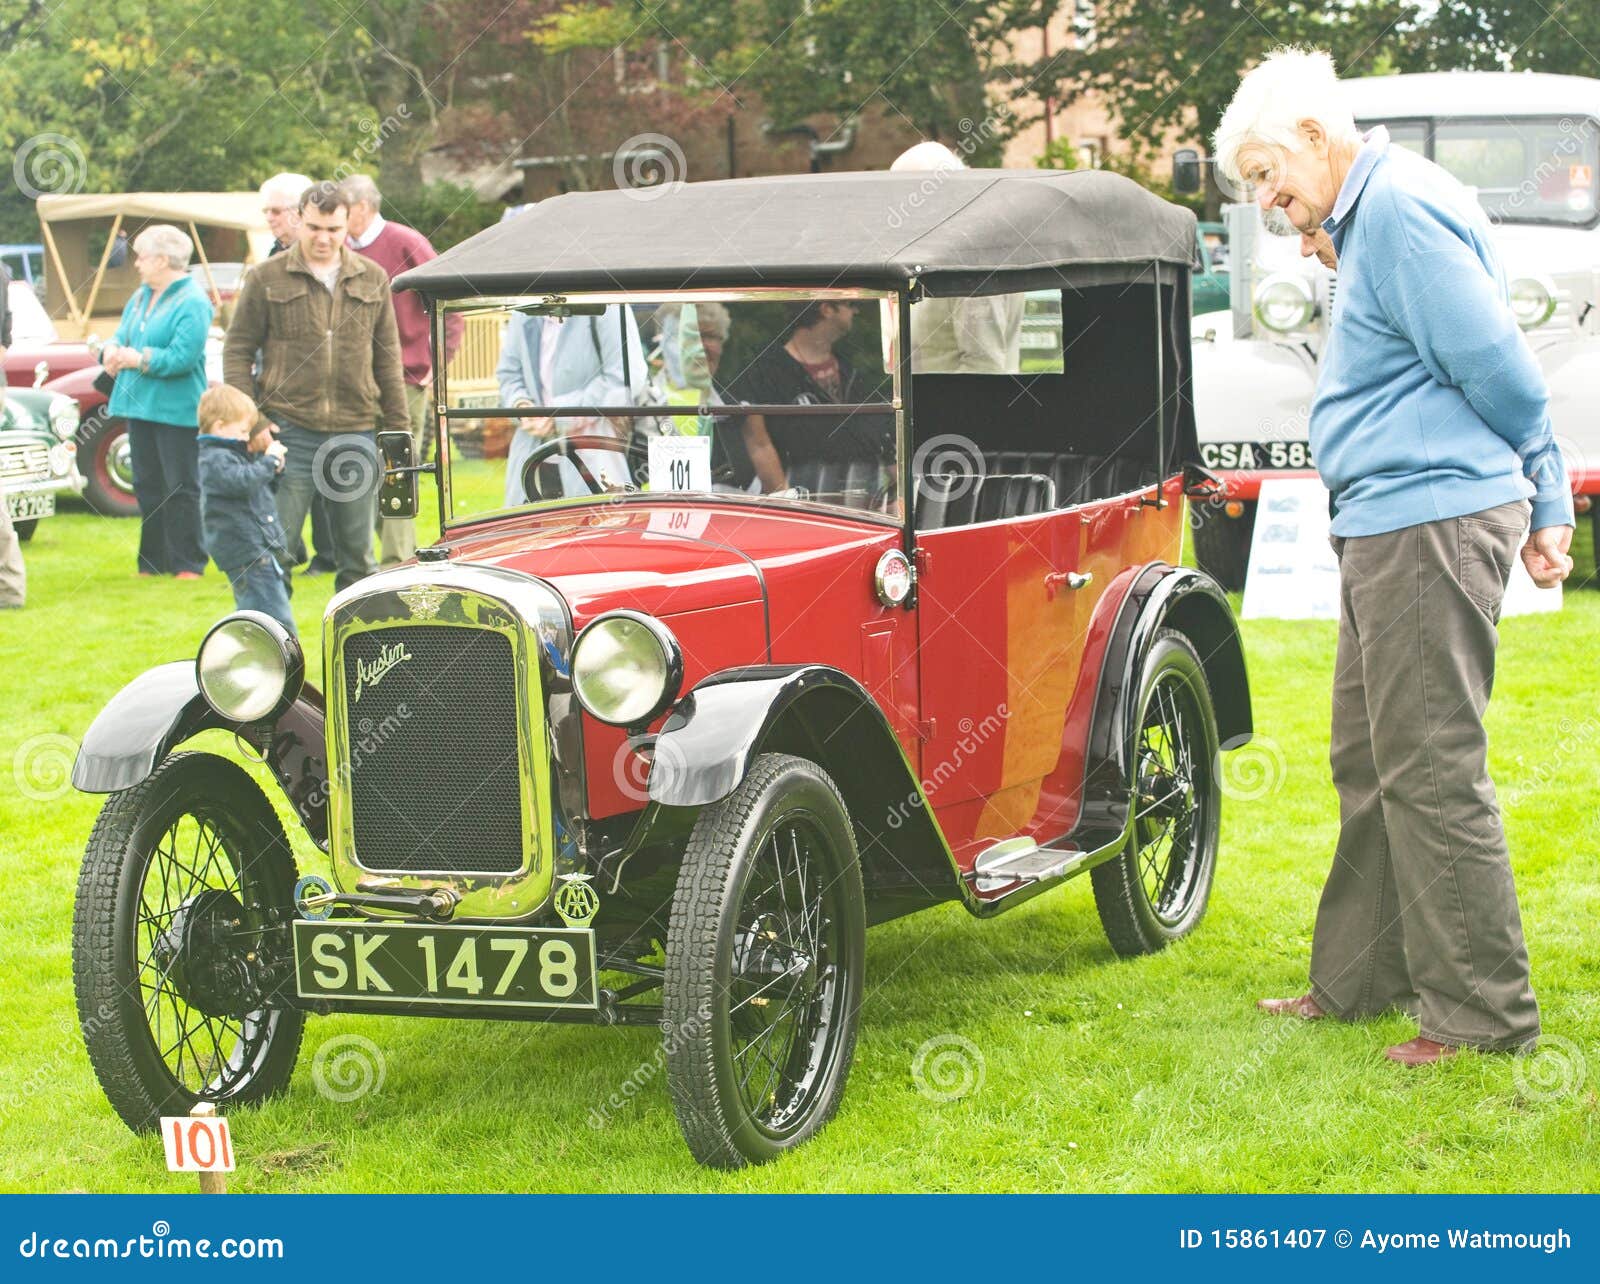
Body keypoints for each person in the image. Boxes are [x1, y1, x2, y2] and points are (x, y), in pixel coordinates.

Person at [1214, 47, 1574, 1066]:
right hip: (1386, 525)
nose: (1270, 201)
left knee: (1428, 770)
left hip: (1427, 524)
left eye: (1267, 174)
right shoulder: (1368, 220)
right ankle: (1362, 977)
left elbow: (1500, 368)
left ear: (1318, 139)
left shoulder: (1401, 213)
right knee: (1367, 760)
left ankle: (1479, 1016)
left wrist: (1548, 492)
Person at [223, 181, 409, 591]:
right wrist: (253, 423)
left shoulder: (373, 278)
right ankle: (274, 646)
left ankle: (359, 648)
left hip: (355, 429)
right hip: (289, 430)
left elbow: (387, 360)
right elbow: (236, 352)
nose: (323, 238)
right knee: (277, 548)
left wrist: (399, 432)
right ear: (299, 221)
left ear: (347, 228)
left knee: (358, 559)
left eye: (333, 230)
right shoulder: (267, 277)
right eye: (314, 228)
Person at [342, 175, 463, 565]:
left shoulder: (406, 242)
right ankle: (370, 557)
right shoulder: (341, 250)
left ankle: (397, 561)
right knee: (363, 471)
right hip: (357, 381)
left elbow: (449, 300)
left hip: (406, 377)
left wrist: (436, 366)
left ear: (362, 207)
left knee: (398, 467)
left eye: (343, 209)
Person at [102, 224, 214, 578]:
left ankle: (188, 563)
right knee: (147, 484)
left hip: (177, 410)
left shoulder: (194, 300)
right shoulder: (140, 295)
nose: (136, 264)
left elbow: (183, 357)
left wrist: (138, 358)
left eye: (142, 256)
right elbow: (121, 334)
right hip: (139, 405)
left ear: (164, 260)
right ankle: (151, 562)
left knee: (181, 487)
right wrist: (110, 349)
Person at [731, 300, 893, 501]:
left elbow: (882, 436)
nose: (856, 310)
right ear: (826, 309)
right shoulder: (765, 372)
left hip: (865, 505)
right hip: (805, 508)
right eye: (849, 303)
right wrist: (788, 504)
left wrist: (898, 498)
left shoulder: (851, 370)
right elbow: (759, 444)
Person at [890, 142, 1024, 373]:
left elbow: (983, 368)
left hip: (955, 408)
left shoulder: (973, 261)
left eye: (909, 196)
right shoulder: (942, 255)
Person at [496, 304, 645, 504]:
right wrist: (522, 406)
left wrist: (559, 414)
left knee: (595, 527)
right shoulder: (523, 307)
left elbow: (625, 378)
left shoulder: (607, 304)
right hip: (530, 454)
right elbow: (508, 374)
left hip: (593, 452)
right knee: (525, 530)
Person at [196, 385, 295, 635]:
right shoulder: (215, 459)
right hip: (248, 553)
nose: (245, 436)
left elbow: (258, 489)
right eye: (242, 430)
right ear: (219, 426)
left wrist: (275, 470)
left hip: (258, 550)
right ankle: (279, 667)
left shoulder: (234, 455)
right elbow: (241, 482)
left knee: (265, 618)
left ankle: (258, 660)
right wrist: (269, 461)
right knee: (274, 624)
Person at [259, 172, 313, 256]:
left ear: (301, 211)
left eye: (276, 211)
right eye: (266, 211)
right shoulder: (276, 251)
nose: (269, 218)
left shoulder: (319, 252)